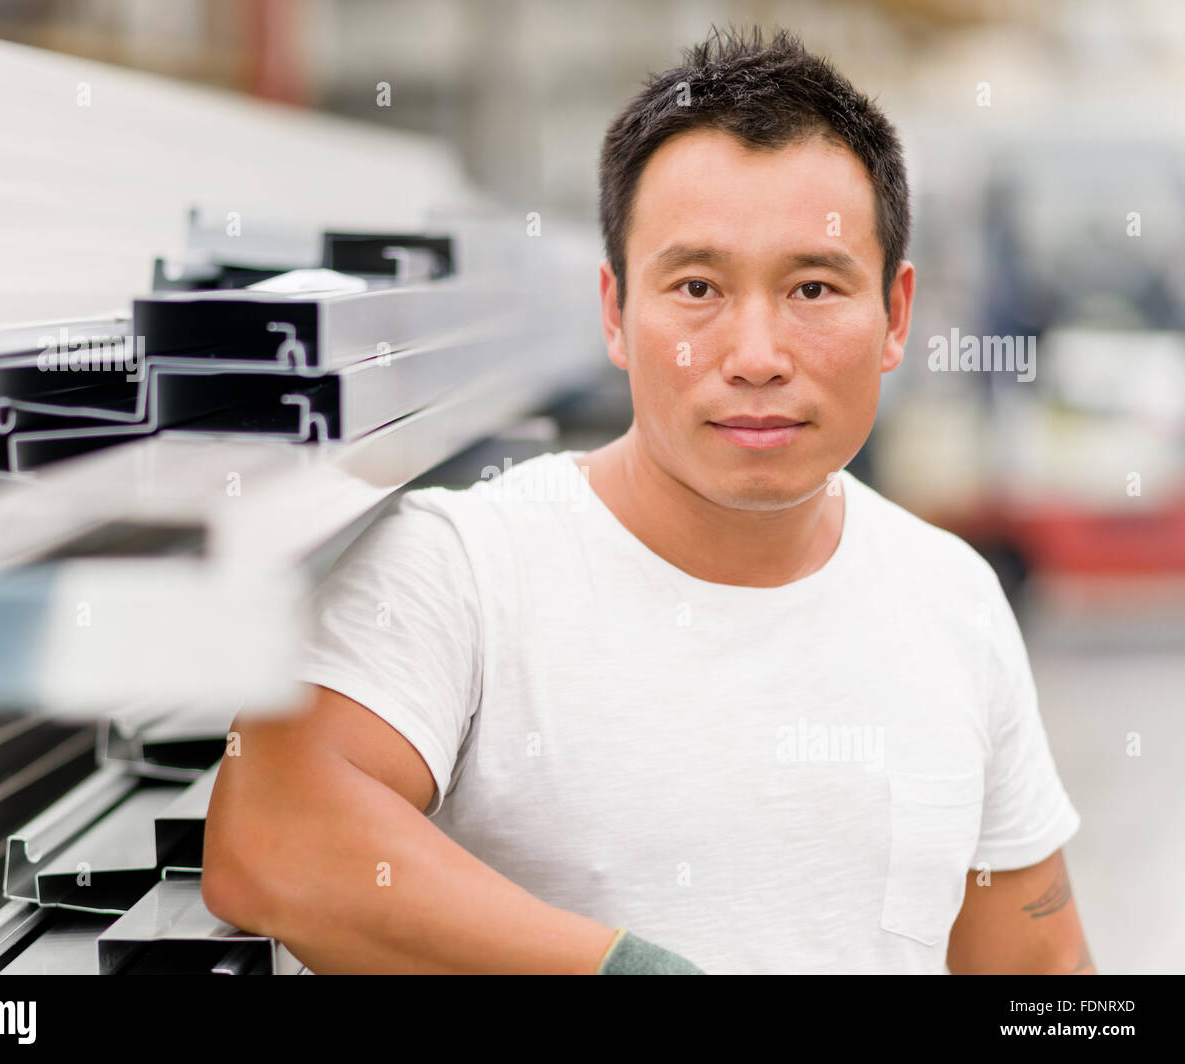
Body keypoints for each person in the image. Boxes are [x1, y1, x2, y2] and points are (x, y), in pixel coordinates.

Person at [202, 25, 1092, 975]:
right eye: (698, 286)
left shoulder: (951, 598)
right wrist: (622, 973)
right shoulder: (463, 569)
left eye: (814, 287)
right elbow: (271, 834)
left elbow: (1039, 975)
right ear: (617, 313)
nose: (756, 356)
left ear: (896, 316)